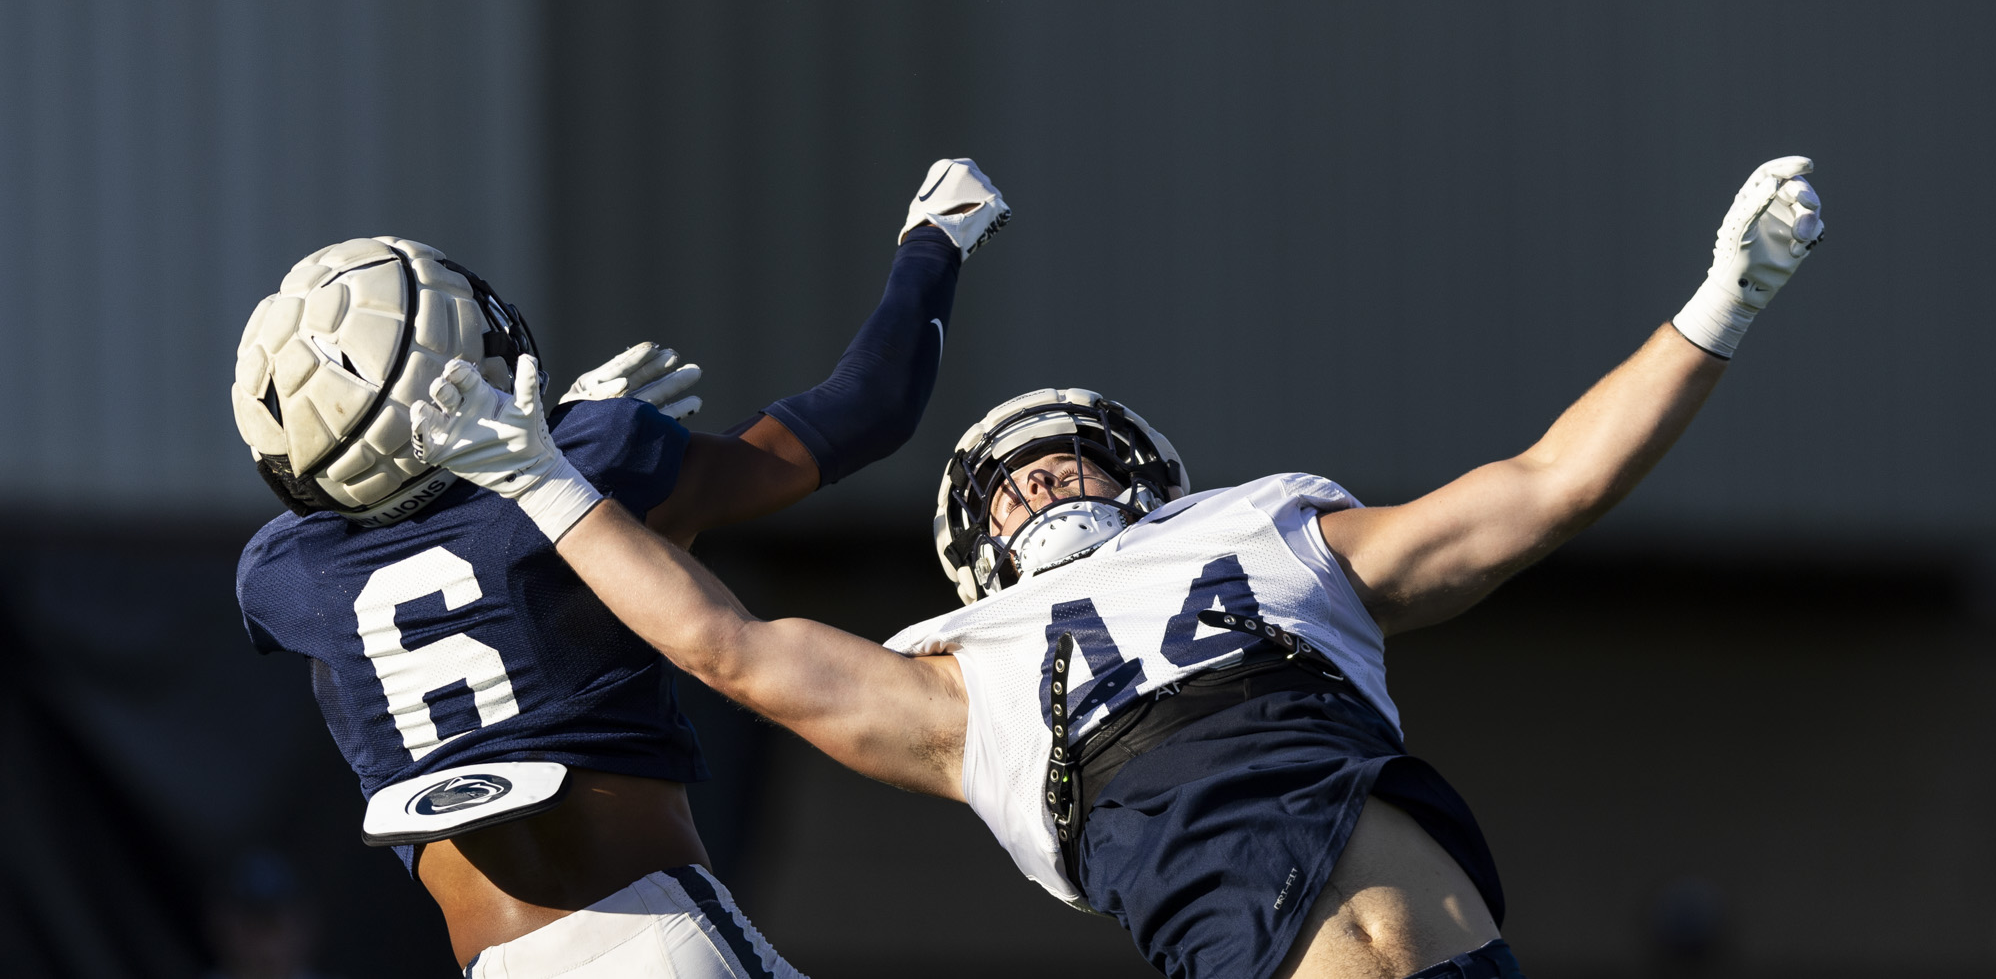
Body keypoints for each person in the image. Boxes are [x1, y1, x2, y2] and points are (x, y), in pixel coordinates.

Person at [409, 157, 1824, 979]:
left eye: (1066, 455)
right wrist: (537, 481)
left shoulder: (1281, 537)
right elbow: (729, 647)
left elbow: (1543, 488)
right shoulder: (963, 678)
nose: (1037, 477)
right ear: (970, 554)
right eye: (1005, 477)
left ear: (1153, 478)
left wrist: (1720, 306)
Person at [230, 159, 1009, 978]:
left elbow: (451, 555)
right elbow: (869, 407)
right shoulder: (597, 461)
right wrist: (934, 243)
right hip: (652, 935)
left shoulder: (282, 573)